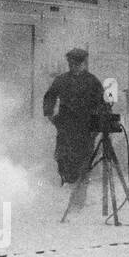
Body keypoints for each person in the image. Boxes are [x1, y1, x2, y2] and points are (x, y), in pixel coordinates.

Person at [41, 47, 107, 192]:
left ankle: (79, 189)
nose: (74, 67)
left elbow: (102, 104)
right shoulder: (62, 79)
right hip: (66, 125)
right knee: (63, 156)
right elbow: (50, 95)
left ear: (83, 64)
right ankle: (65, 182)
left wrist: (96, 127)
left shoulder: (92, 81)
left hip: (85, 126)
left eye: (77, 64)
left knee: (84, 158)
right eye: (71, 65)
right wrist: (49, 113)